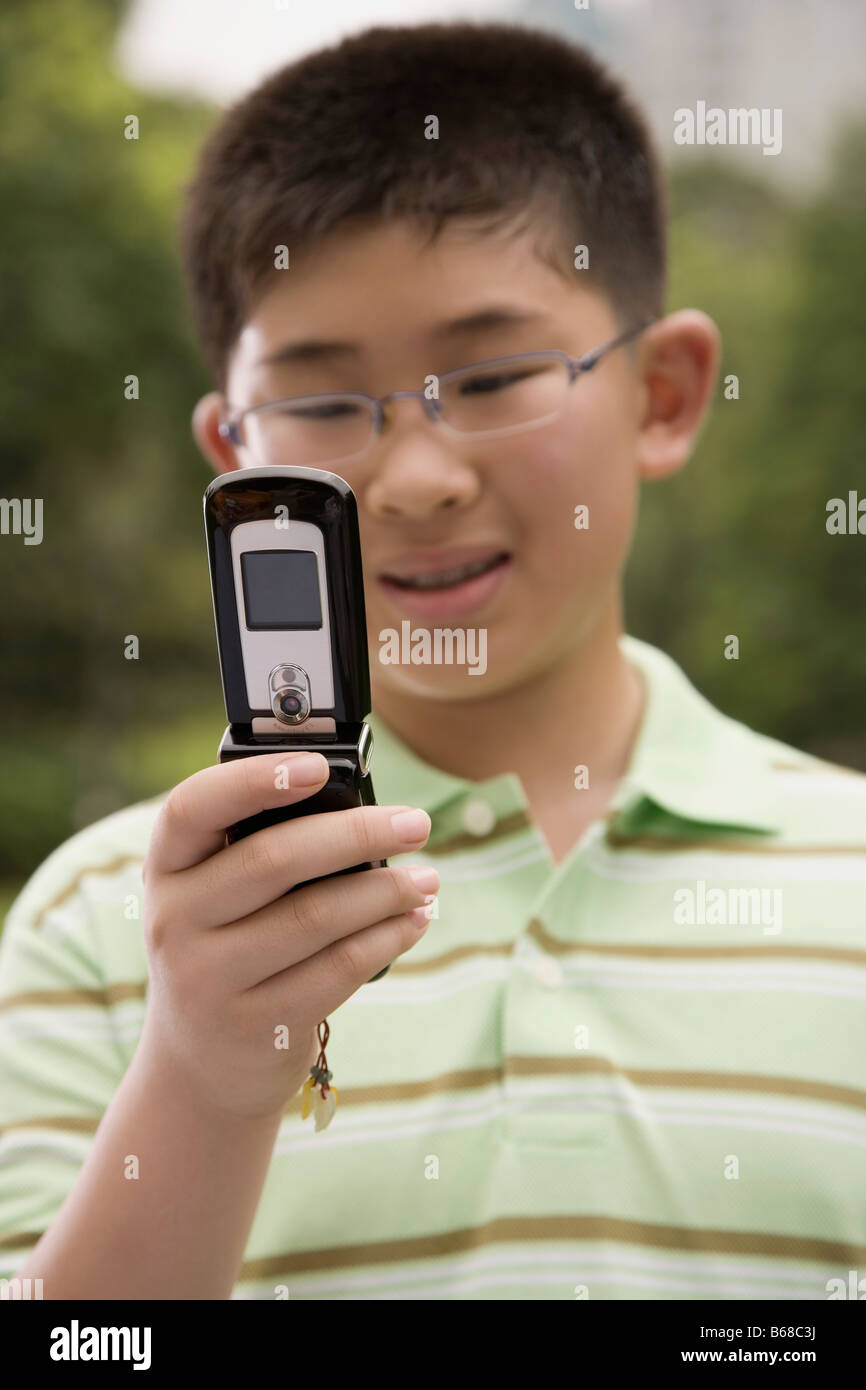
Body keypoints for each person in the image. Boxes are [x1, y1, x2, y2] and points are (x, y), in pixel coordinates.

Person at [1, 22, 864, 1302]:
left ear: (666, 391)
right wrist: (200, 1076)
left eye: (498, 372)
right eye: (319, 400)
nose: (414, 478)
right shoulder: (101, 921)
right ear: (237, 456)